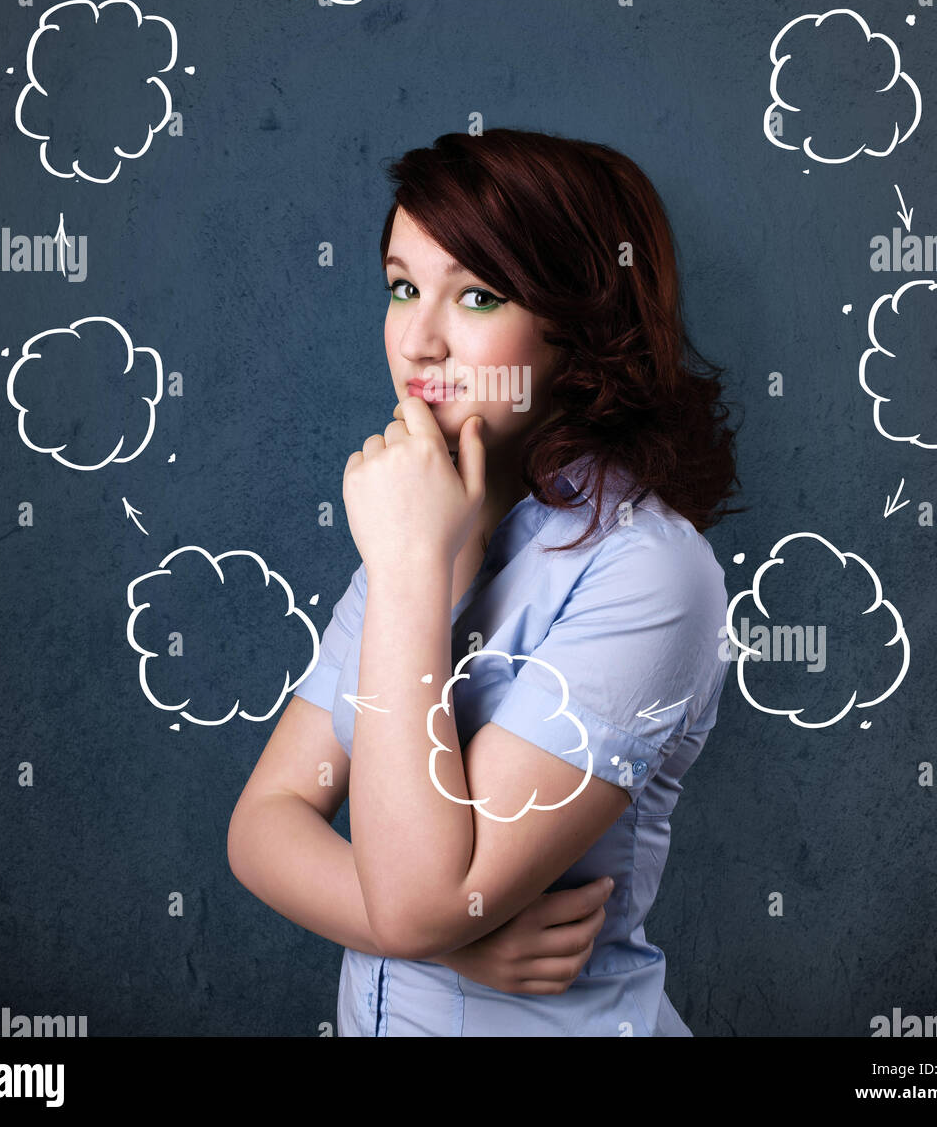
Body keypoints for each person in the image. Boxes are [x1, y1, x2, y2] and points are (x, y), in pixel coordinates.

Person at [228, 127, 743, 1036]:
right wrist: (448, 941)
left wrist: (423, 924)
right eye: (400, 287)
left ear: (579, 325)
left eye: (476, 293)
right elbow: (264, 825)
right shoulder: (417, 530)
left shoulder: (647, 572)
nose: (418, 340)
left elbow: (420, 901)